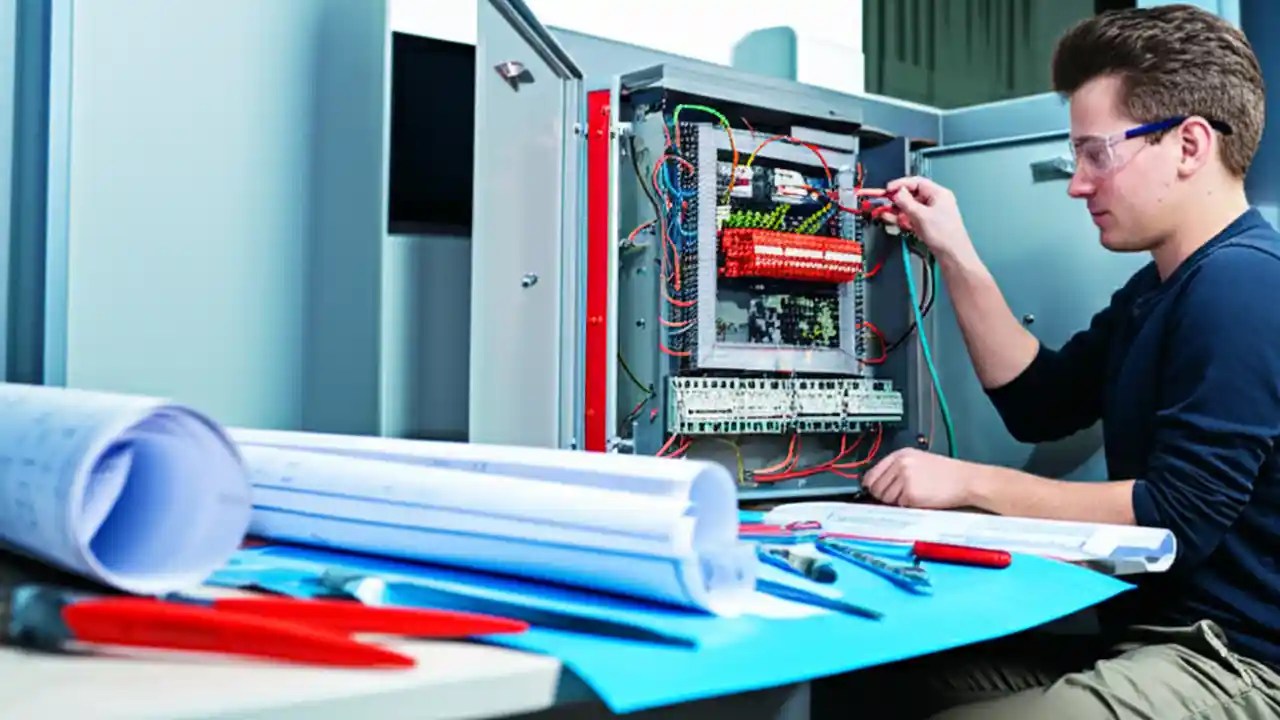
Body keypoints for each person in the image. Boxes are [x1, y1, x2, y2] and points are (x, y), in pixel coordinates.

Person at [828, 5, 1280, 718]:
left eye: (1097, 153)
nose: (1078, 183)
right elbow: (1040, 402)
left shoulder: (1244, 285)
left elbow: (1175, 515)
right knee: (865, 682)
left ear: (1190, 145)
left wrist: (967, 482)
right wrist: (953, 249)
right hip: (1147, 644)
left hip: (1236, 665)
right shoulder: (1159, 290)